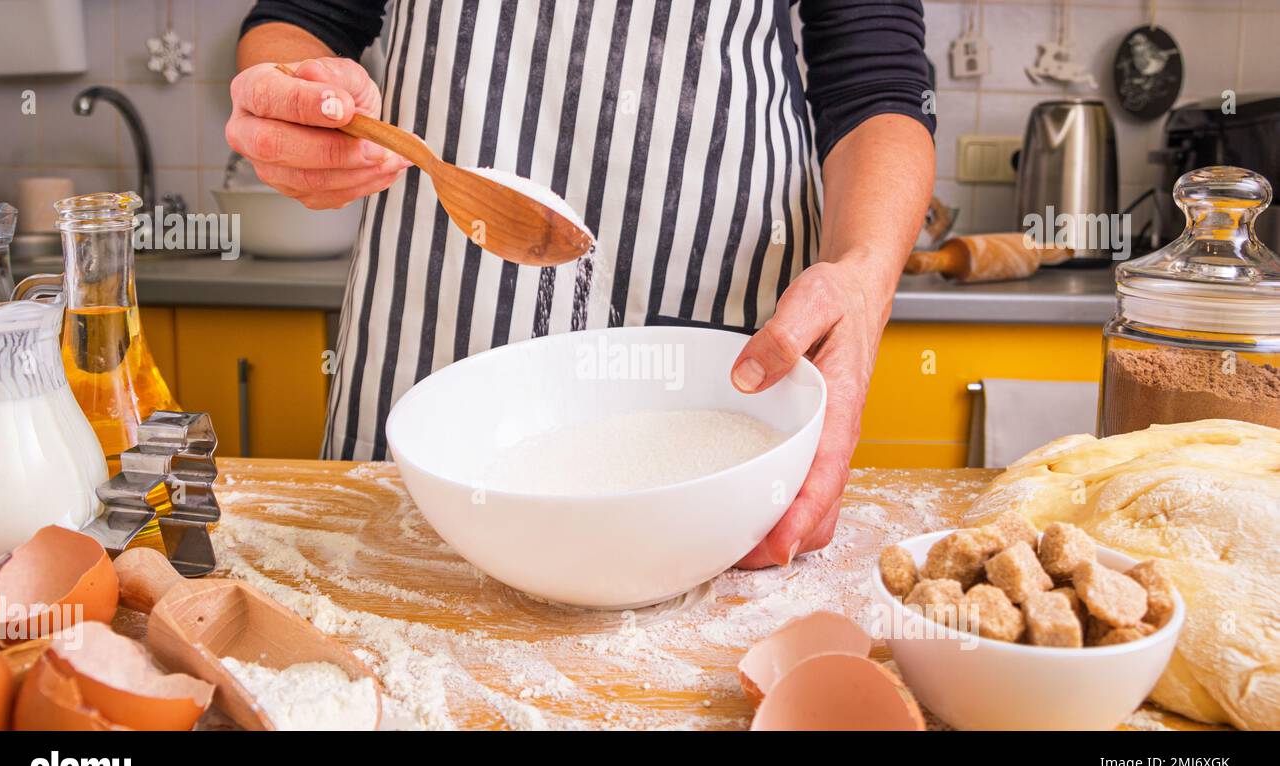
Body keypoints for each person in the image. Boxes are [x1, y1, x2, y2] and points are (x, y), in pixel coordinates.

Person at [227, 0, 936, 568]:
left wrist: (863, 280)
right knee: (387, 595)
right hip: (436, 319)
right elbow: (307, 17)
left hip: (719, 337)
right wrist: (295, 95)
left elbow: (876, 82)